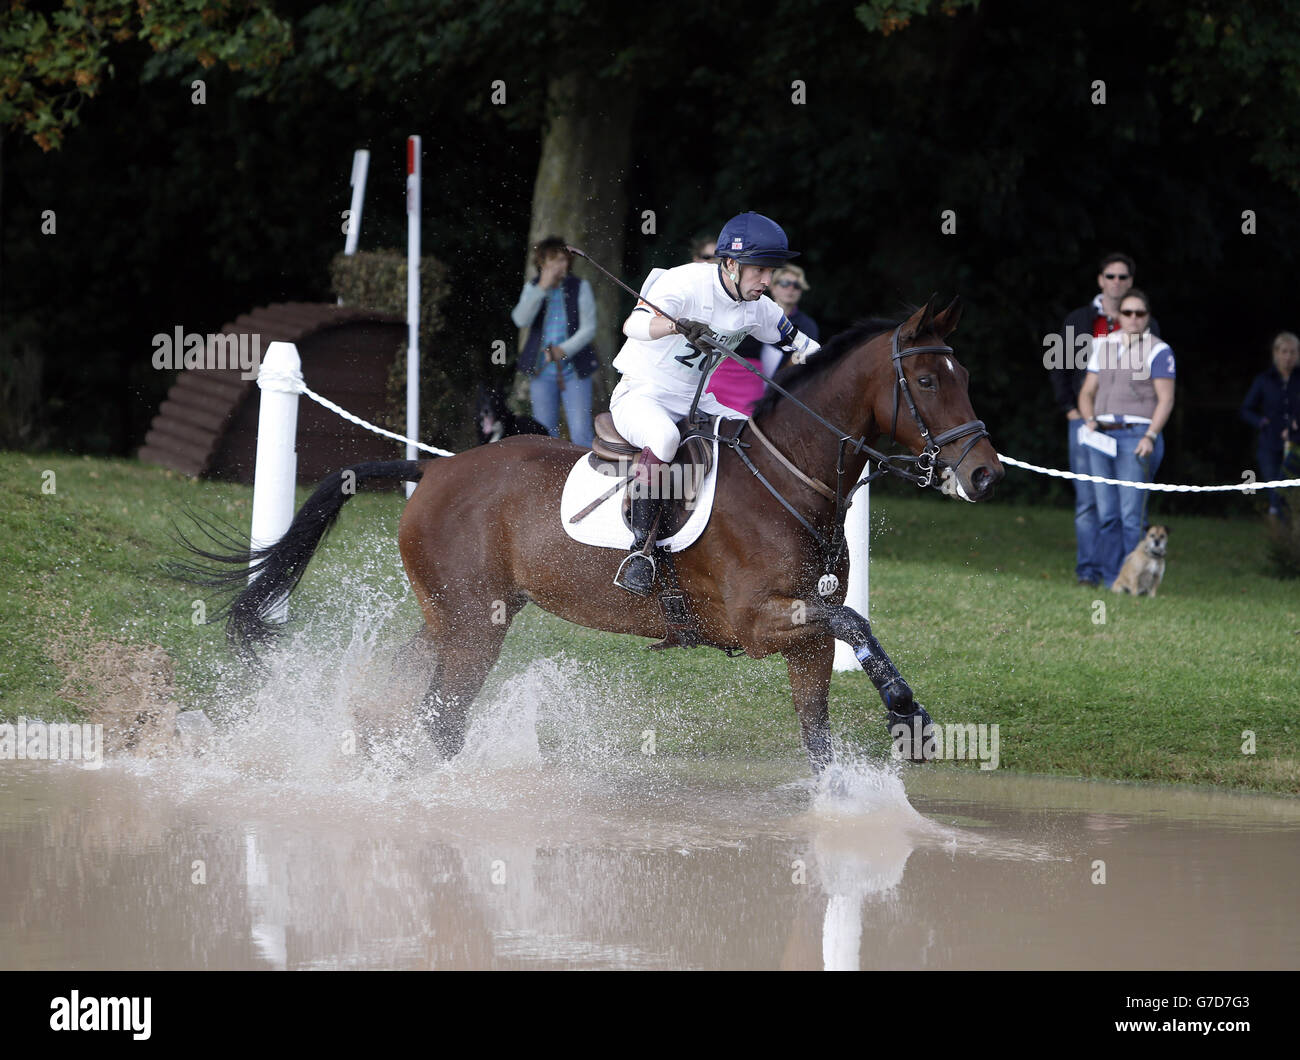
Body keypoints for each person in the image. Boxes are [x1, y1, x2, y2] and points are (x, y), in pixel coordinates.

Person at [609, 211, 821, 595]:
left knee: (755, 438)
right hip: (643, 392)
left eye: (771, 271)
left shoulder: (759, 307)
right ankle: (640, 551)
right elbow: (633, 326)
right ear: (730, 264)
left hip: (698, 400)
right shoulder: (684, 282)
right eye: (759, 270)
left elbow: (806, 348)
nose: (767, 281)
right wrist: (674, 325)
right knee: (664, 439)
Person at [1054, 253, 1160, 586]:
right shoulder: (1078, 320)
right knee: (1089, 502)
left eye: (1123, 277)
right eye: (1110, 276)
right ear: (1100, 280)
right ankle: (1089, 572)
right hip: (1085, 425)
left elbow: (1158, 380)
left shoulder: (1147, 323)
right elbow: (1059, 368)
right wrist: (1072, 412)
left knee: (1124, 506)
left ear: (1131, 281)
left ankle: (1125, 577)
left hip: (1131, 427)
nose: (1116, 282)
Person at [1076, 288, 1176, 589]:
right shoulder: (1103, 346)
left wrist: (1151, 435)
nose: (1133, 318)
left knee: (1131, 517)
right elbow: (1086, 391)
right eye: (1128, 312)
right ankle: (1113, 582)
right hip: (1101, 435)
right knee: (1107, 514)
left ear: (1147, 317)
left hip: (1137, 434)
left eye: (1140, 313)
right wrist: (1089, 419)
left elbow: (1166, 399)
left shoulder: (1159, 350)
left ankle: (1139, 583)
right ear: (1119, 315)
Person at [510, 236, 598, 448]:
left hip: (575, 369)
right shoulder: (533, 287)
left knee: (581, 432)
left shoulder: (579, 287)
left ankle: (586, 476)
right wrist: (541, 288)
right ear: (541, 263)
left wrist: (564, 350)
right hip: (541, 370)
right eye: (553, 260)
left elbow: (589, 328)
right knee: (545, 432)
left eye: (563, 260)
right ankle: (552, 477)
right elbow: (519, 319)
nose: (559, 265)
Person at [706, 263, 820, 416]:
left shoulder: (806, 325)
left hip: (777, 387)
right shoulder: (752, 307)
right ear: (772, 286)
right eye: (785, 283)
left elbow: (802, 360)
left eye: (796, 285)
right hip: (729, 373)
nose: (791, 288)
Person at [1240, 331, 1300, 520]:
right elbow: (1246, 409)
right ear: (1276, 353)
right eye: (1284, 352)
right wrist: (1262, 422)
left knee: (1290, 490)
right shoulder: (1264, 380)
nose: (1288, 357)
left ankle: (1289, 534)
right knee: (1276, 491)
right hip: (1270, 443)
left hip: (1296, 445)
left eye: (1292, 352)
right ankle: (1280, 537)